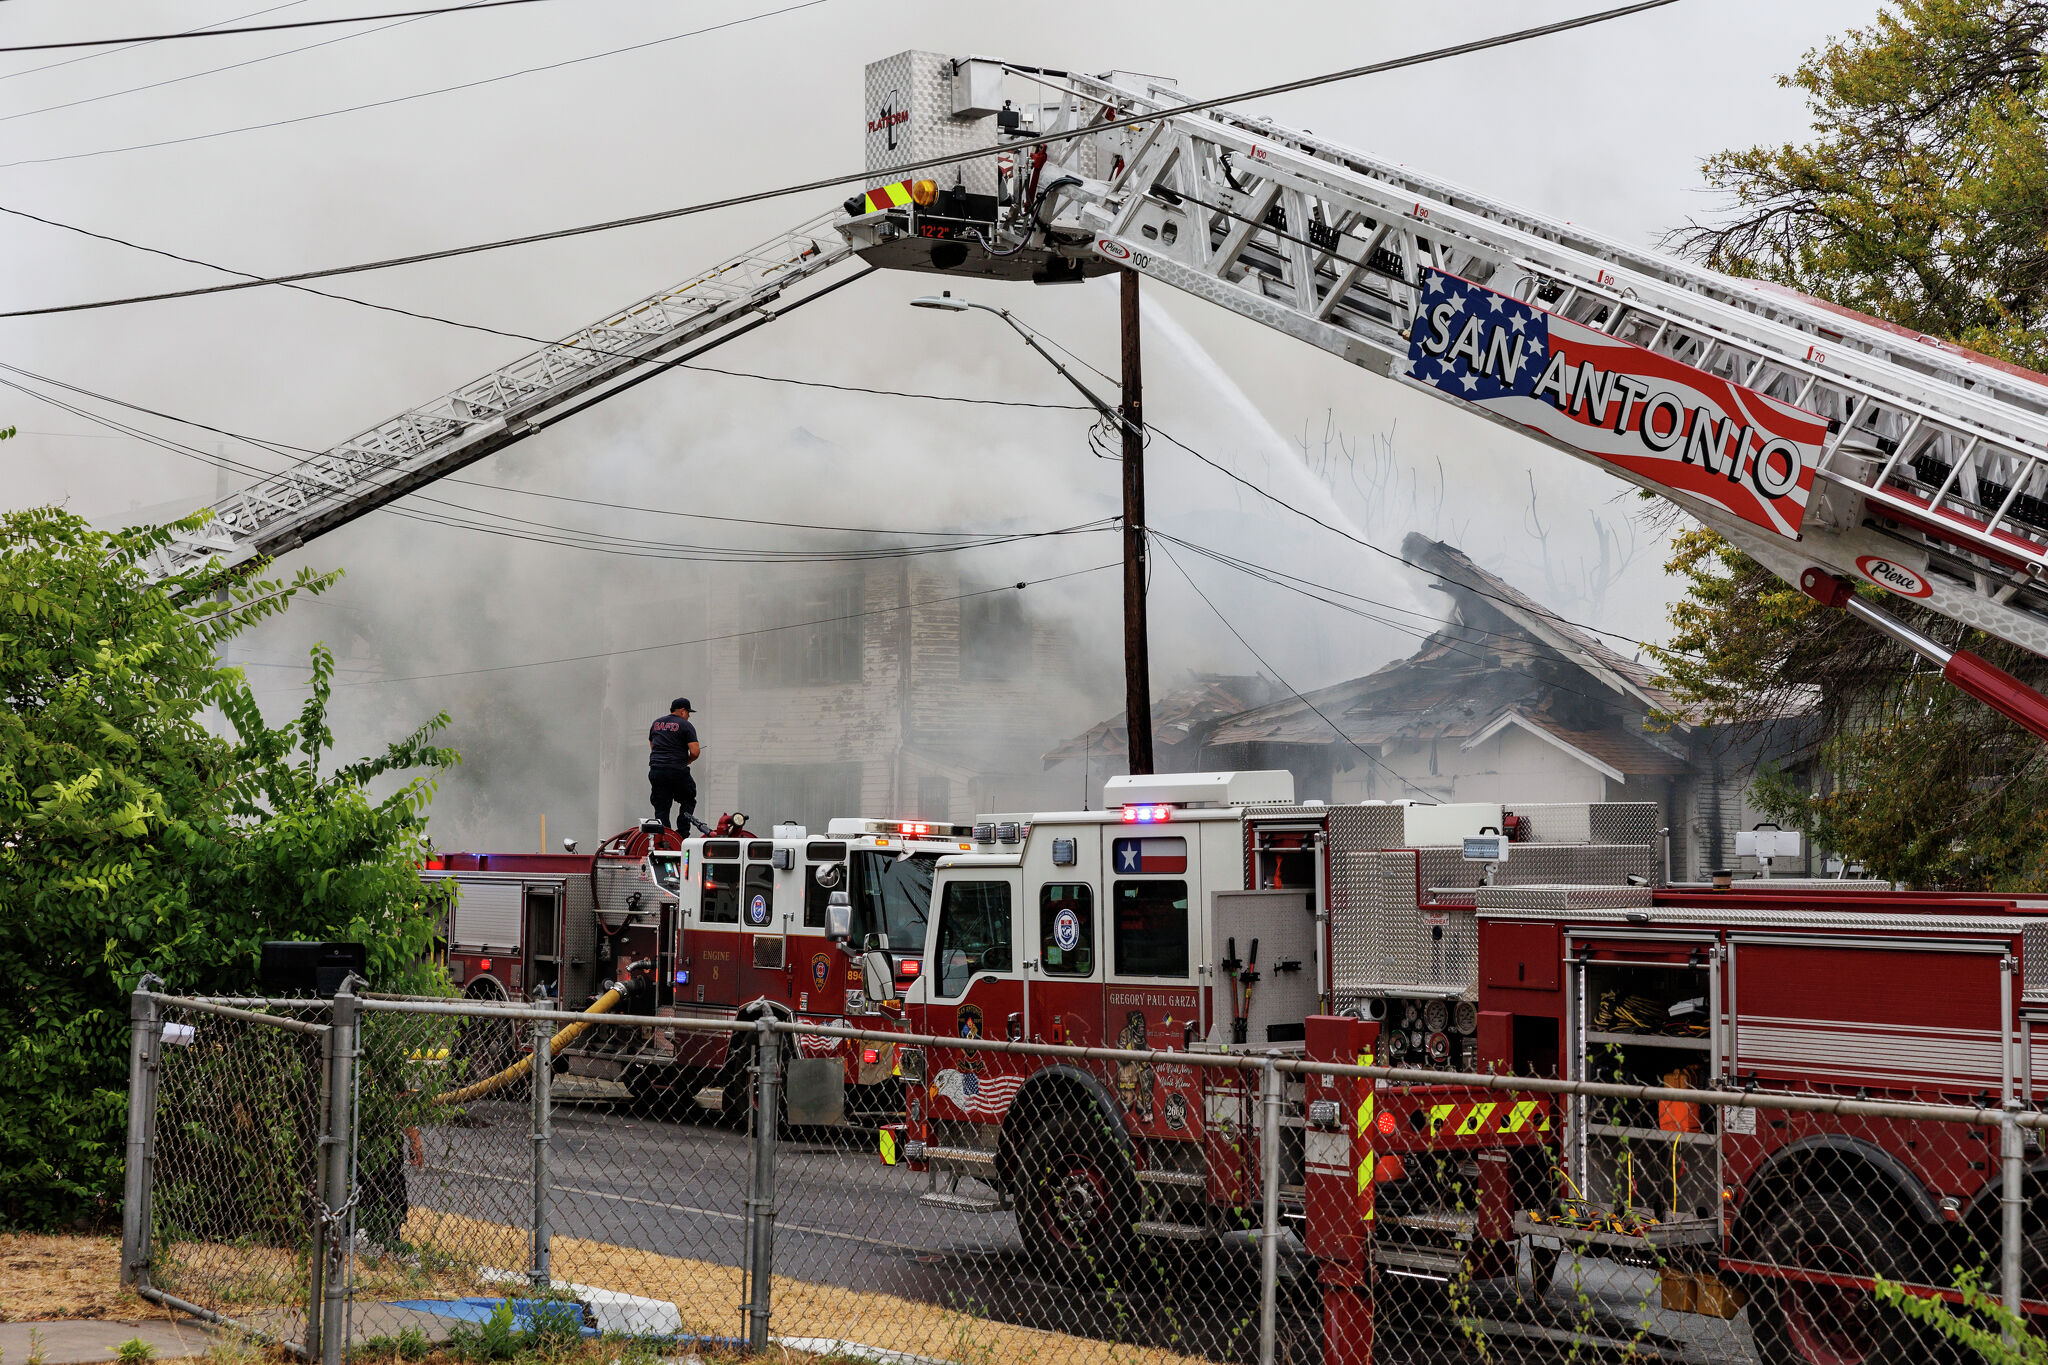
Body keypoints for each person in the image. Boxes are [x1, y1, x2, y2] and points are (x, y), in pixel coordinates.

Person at [648, 697, 701, 830]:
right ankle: (682, 833)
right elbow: (695, 752)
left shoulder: (656, 723)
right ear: (683, 711)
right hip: (676, 770)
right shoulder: (685, 725)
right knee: (689, 798)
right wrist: (687, 760)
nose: (689, 716)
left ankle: (665, 837)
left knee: (661, 806)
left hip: (656, 771)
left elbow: (653, 746)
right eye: (689, 713)